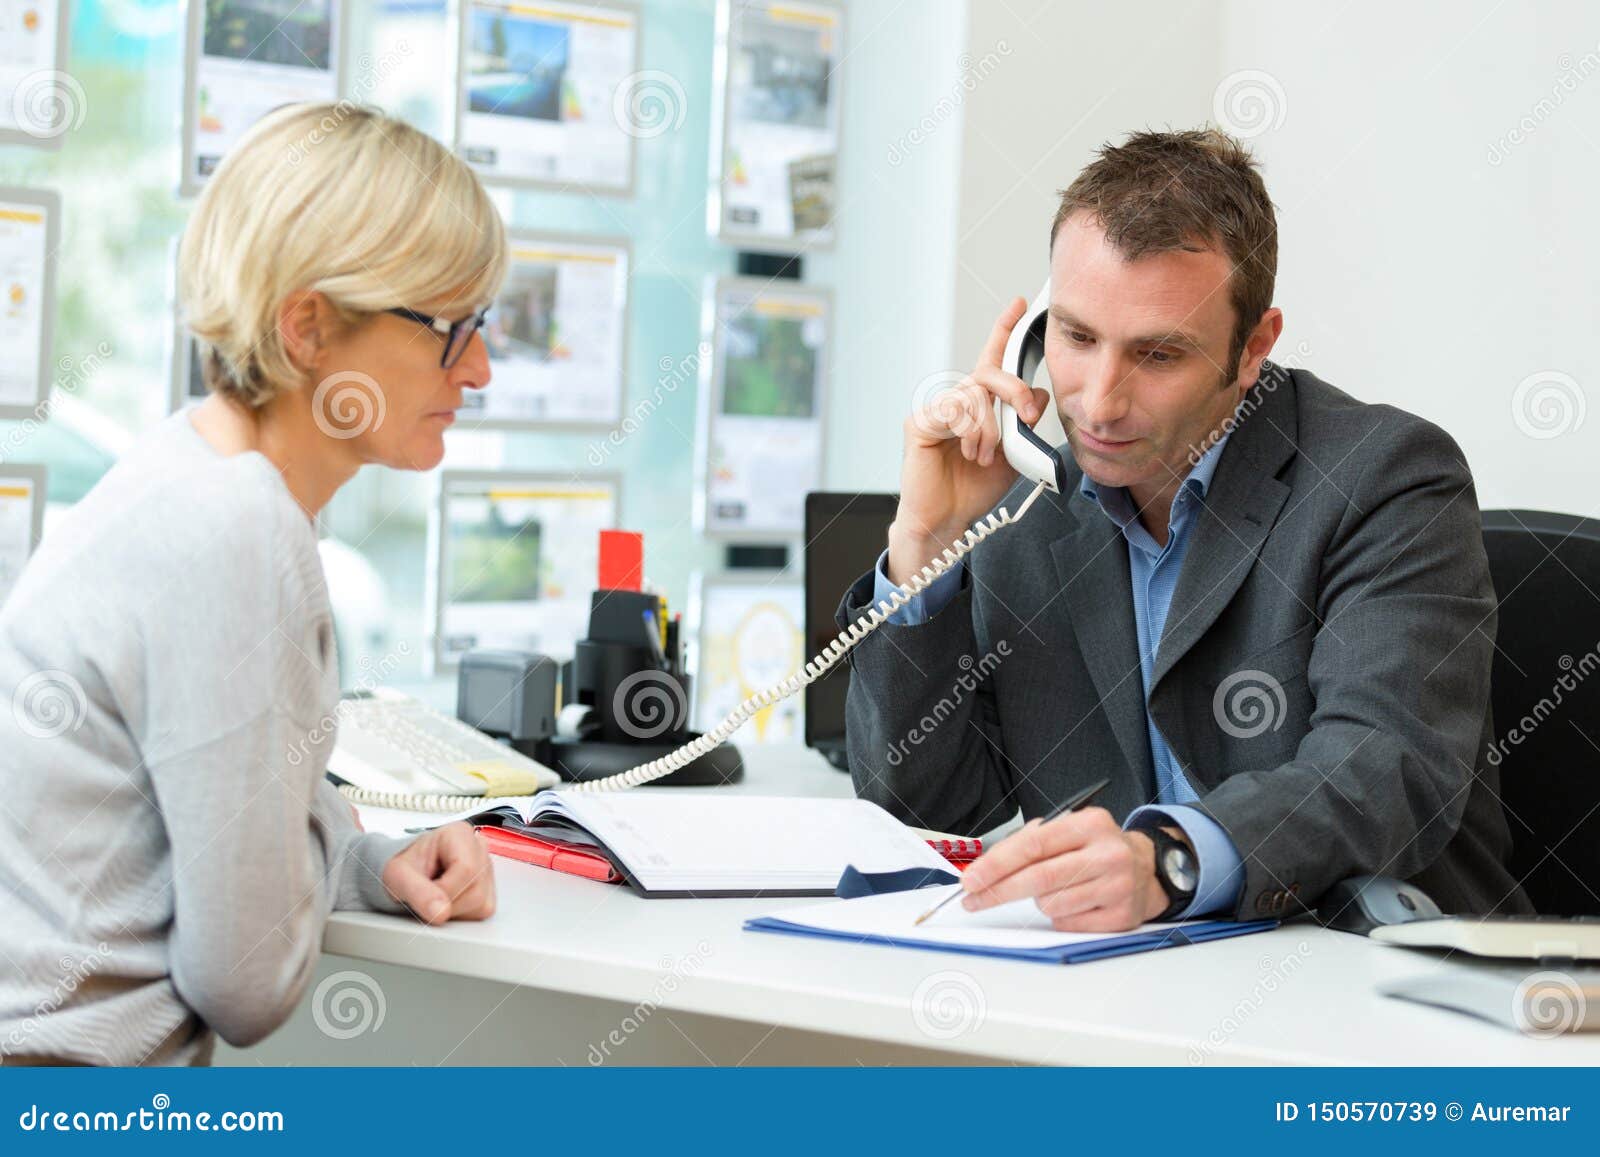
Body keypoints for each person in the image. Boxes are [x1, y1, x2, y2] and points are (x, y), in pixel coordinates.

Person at [840, 128, 1532, 932]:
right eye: (1076, 336)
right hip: (1140, 988)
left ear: (1253, 349)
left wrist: (1167, 859)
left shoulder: (1387, 476)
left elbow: (1386, 765)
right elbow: (925, 806)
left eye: (1158, 354)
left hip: (1373, 978)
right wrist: (925, 548)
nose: (1098, 403)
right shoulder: (1027, 507)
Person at [0, 103, 505, 1066]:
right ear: (309, 327)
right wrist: (325, 830)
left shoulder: (197, 474)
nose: (478, 368)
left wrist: (364, 863)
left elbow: (204, 857)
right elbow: (249, 986)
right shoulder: (231, 534)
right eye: (450, 328)